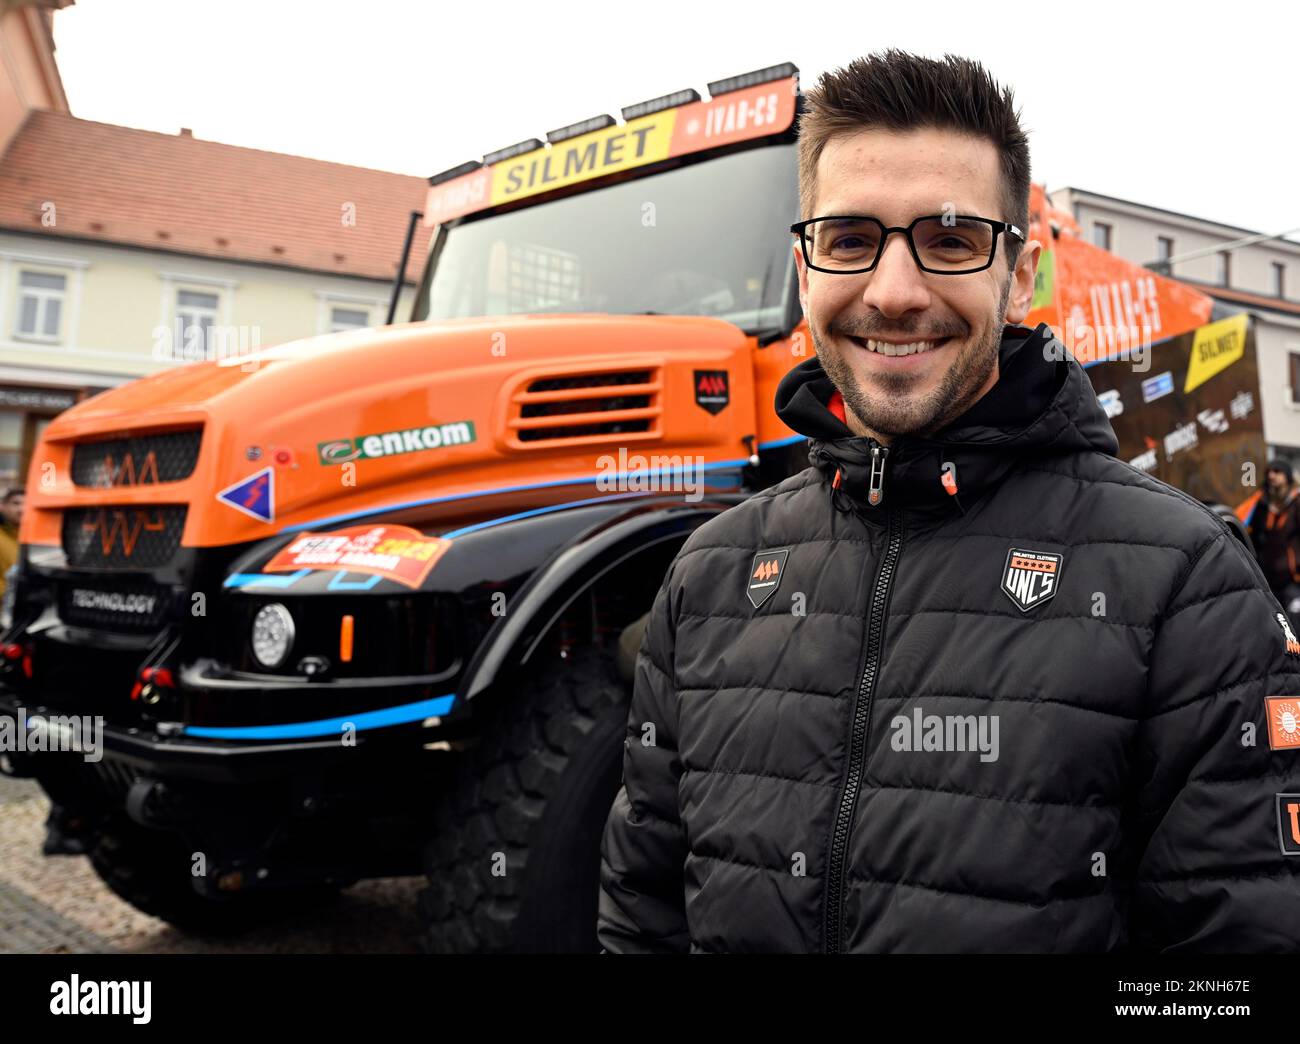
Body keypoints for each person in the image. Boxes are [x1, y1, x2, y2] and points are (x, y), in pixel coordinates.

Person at [597, 50, 1300, 953]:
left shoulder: (1187, 588)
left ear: (1019, 275)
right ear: (806, 270)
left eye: (953, 239)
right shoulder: (710, 575)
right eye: (851, 240)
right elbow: (642, 917)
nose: (894, 292)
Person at [1248, 460, 1300, 616]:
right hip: (1269, 582)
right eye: (1268, 472)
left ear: (1288, 477)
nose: (1271, 475)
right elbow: (1254, 538)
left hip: (1293, 582)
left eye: (1277, 471)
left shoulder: (1297, 503)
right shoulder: (1263, 504)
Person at [0, 487, 22, 599]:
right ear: (2, 506)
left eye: (27, 504)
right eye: (16, 503)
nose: (21, 509)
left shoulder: (32, 540)